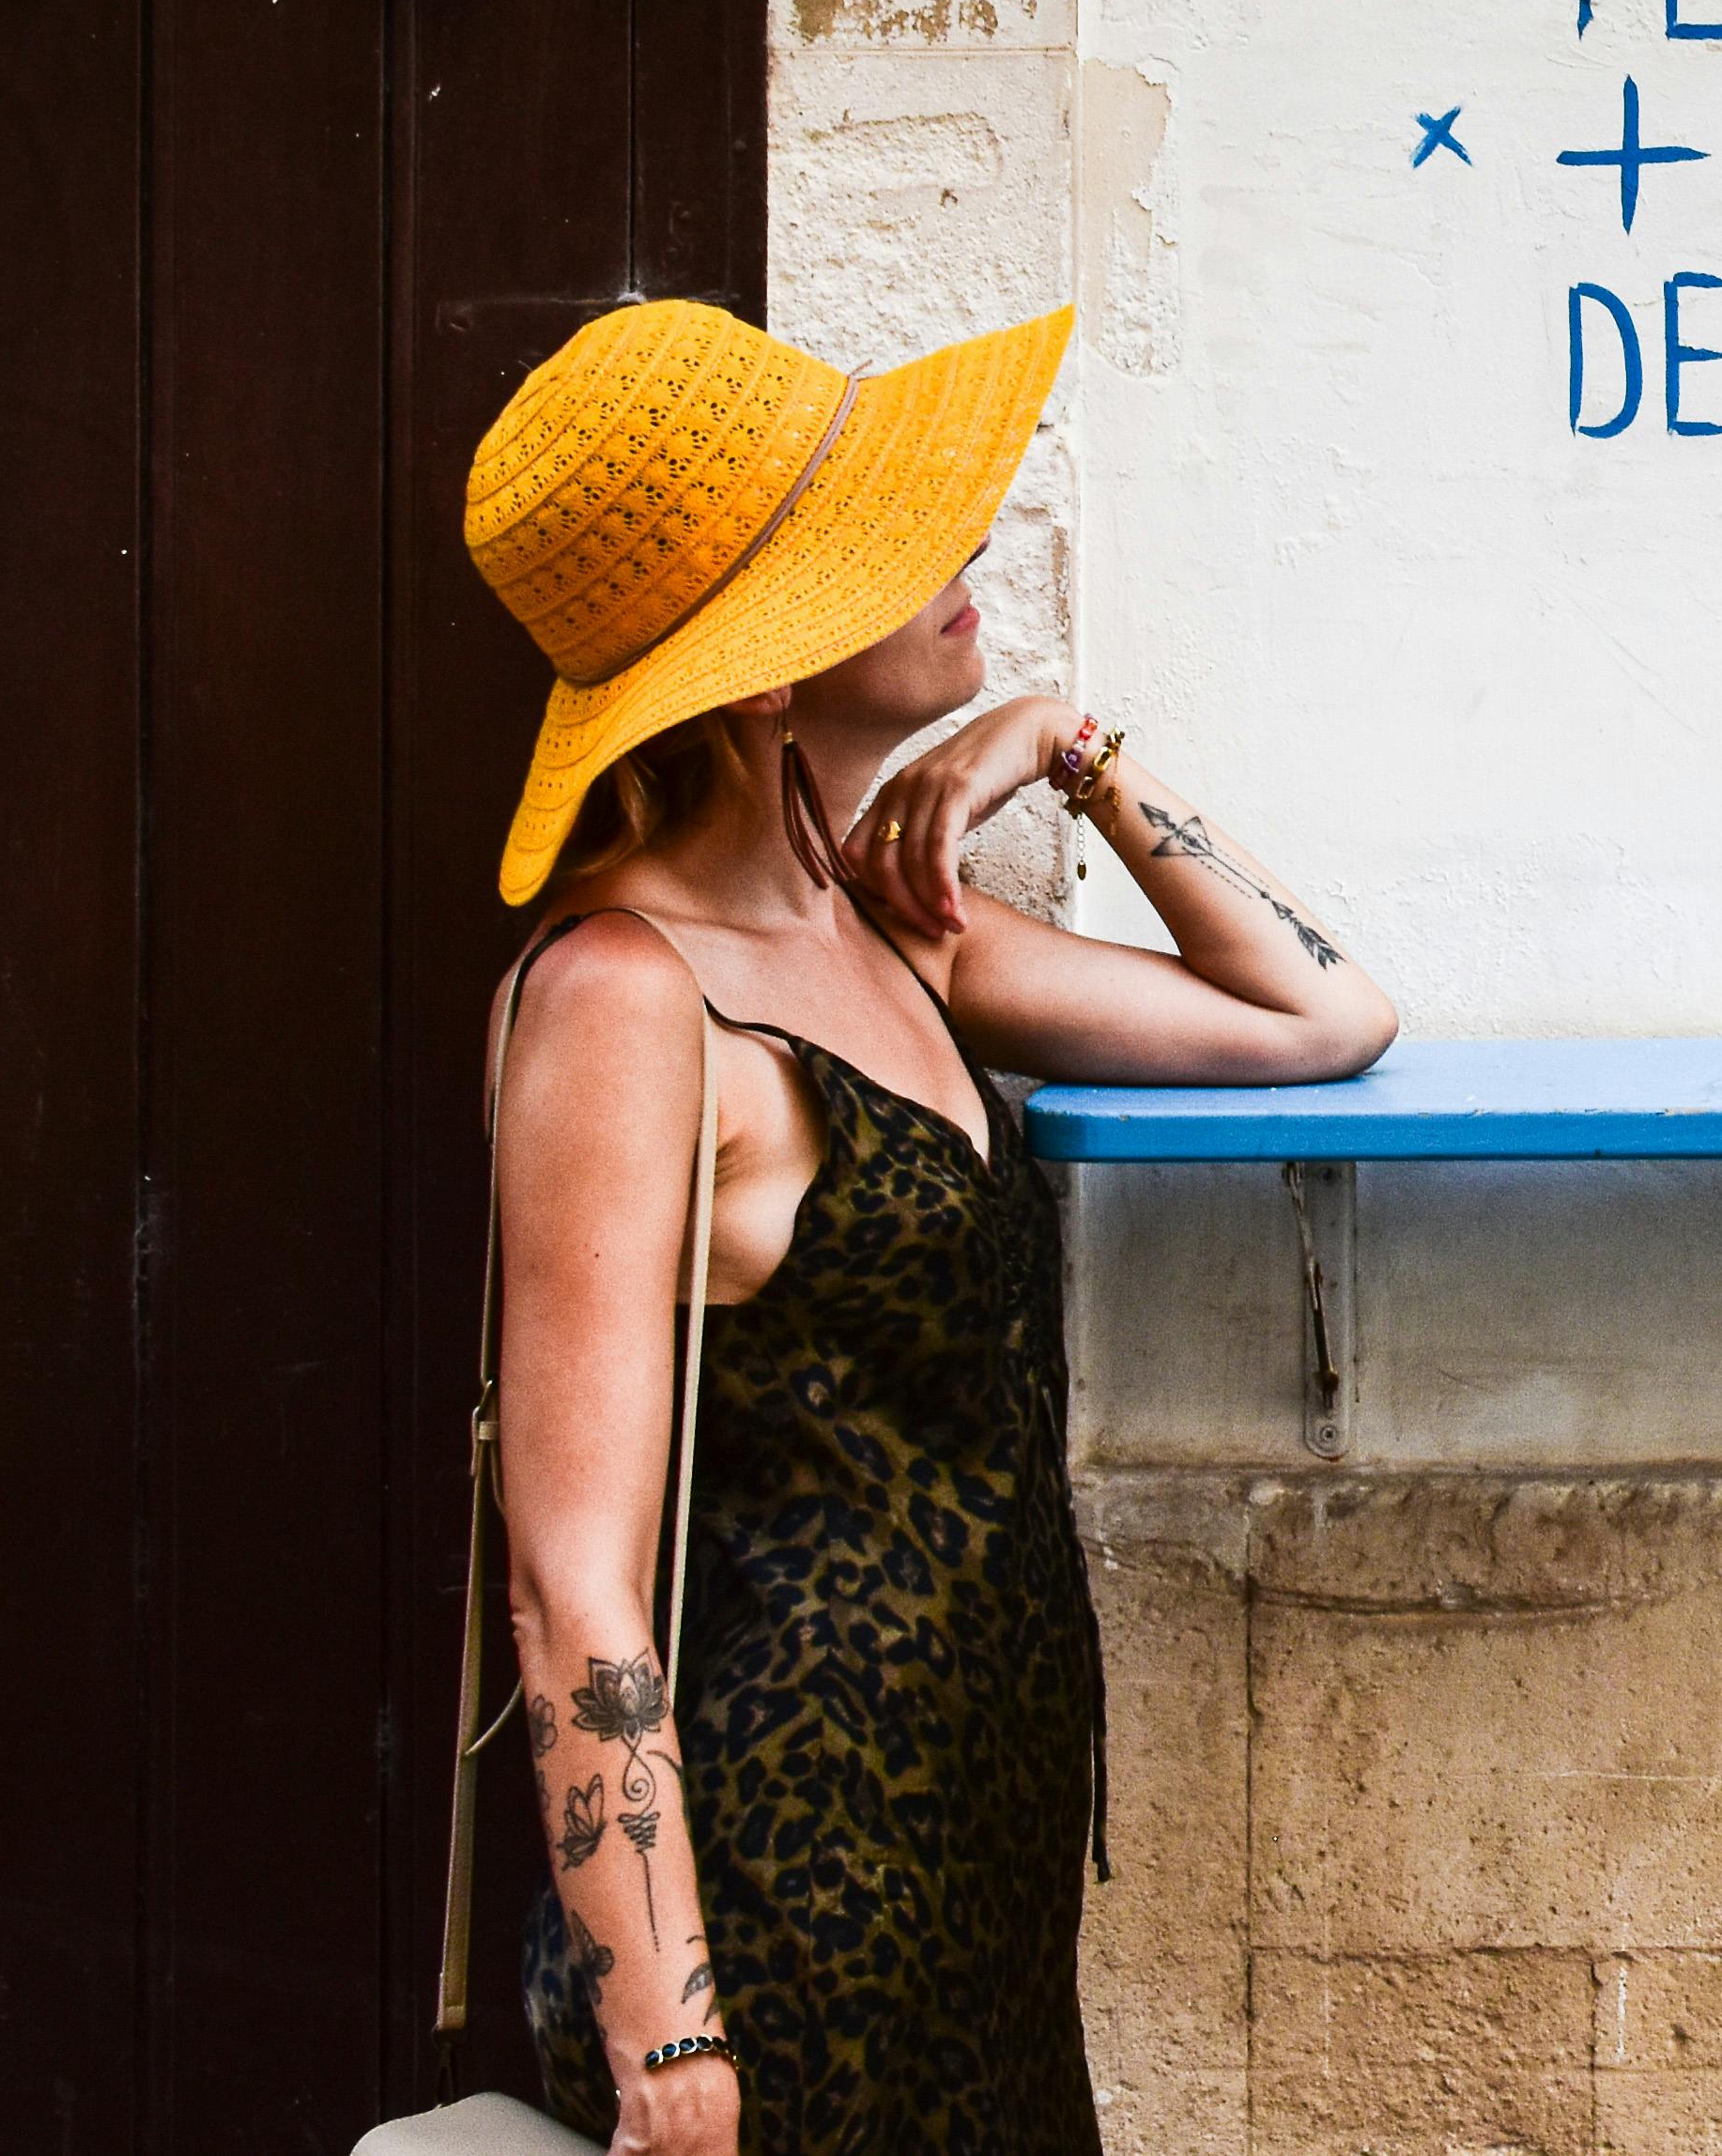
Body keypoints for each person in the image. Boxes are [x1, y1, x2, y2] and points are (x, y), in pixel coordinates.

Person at [458, 297, 1391, 2153]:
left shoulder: (889, 935)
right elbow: (570, 1578)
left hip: (973, 1874)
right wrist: (666, 2043)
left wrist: (1069, 747)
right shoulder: (624, 1000)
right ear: (761, 672)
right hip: (782, 1914)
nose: (958, 555)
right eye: (883, 551)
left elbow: (1322, 1017)